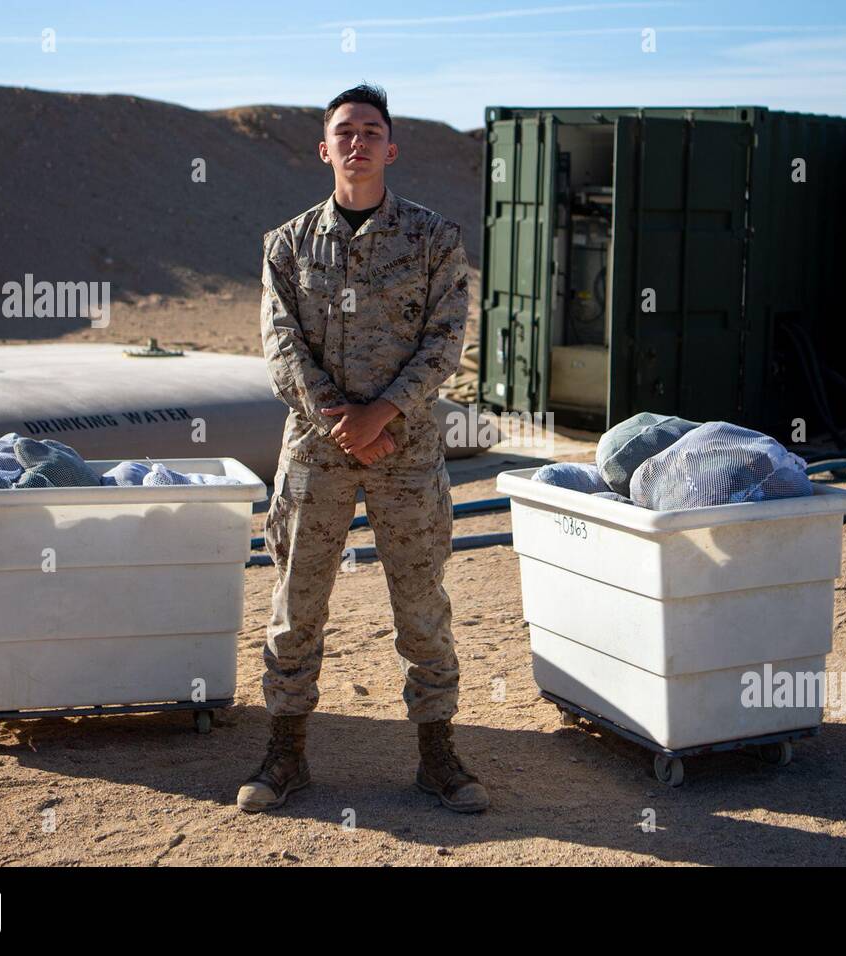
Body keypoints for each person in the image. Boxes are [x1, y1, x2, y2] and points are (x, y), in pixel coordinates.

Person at [238, 83, 489, 814]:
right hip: (316, 454)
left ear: (391, 147)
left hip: (405, 451)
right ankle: (284, 755)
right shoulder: (286, 245)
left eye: (371, 131)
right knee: (296, 604)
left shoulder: (434, 238)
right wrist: (340, 422)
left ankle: (439, 756)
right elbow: (279, 344)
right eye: (344, 131)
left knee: (422, 605)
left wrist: (381, 415)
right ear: (325, 149)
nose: (358, 142)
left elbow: (446, 342)